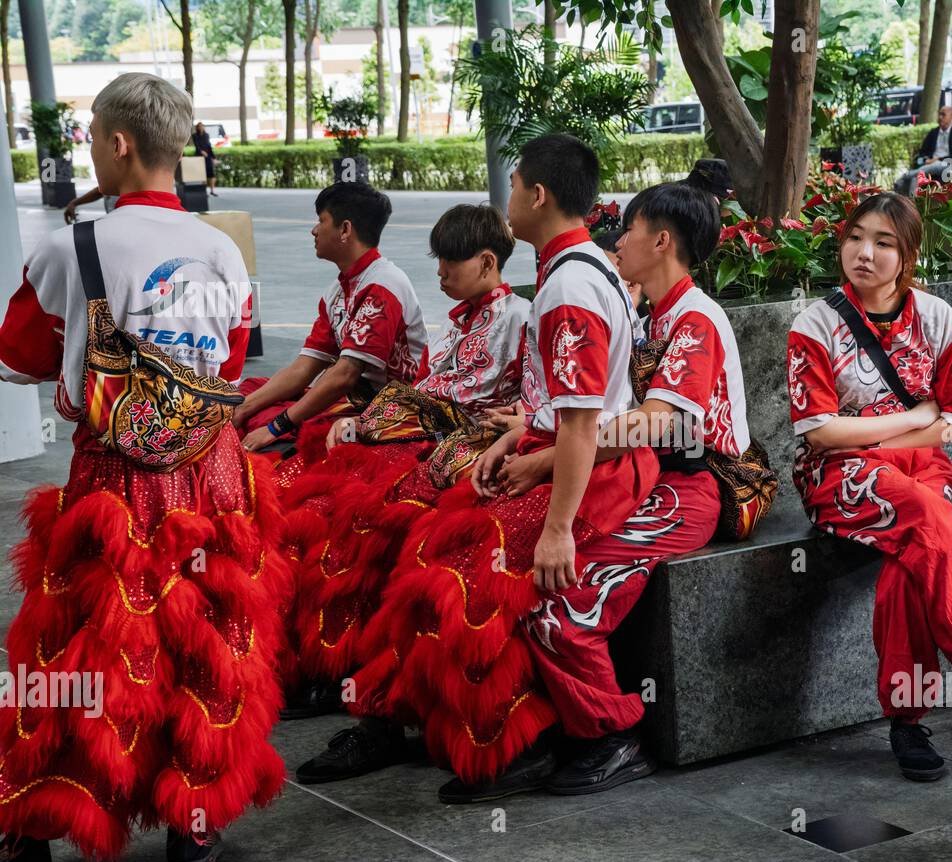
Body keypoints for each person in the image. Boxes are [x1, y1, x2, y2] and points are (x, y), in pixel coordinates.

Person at [296, 134, 659, 801]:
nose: (509, 196)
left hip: (590, 475)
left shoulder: (568, 285)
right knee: (417, 544)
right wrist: (521, 437)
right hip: (560, 456)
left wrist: (556, 528)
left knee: (457, 575)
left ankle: (523, 742)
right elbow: (570, 407)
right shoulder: (575, 270)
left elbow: (583, 422)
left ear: (538, 195)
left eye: (514, 183)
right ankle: (391, 712)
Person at [0, 72, 289, 862]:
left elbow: (16, 354)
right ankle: (195, 828)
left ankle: (35, 826)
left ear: (120, 144)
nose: (88, 148)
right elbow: (230, 363)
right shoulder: (222, 249)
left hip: (115, 484)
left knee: (81, 648)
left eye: (92, 136)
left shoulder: (73, 246)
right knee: (208, 641)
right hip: (215, 474)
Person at [500, 182, 753, 794]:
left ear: (661, 241)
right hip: (642, 475)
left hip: (694, 486)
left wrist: (550, 459)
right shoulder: (652, 314)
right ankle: (536, 729)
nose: (620, 242)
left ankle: (611, 737)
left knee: (562, 602)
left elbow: (662, 421)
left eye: (631, 230)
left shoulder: (695, 320)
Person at [786, 192, 952, 784]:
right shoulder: (815, 324)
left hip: (920, 467)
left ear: (909, 255)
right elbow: (821, 433)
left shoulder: (938, 318)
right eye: (855, 238)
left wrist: (879, 436)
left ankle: (906, 723)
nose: (864, 253)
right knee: (925, 516)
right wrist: (910, 420)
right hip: (837, 476)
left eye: (883, 243)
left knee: (907, 571)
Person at [278, 203, 530, 717]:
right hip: (410, 433)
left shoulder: (521, 319)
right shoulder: (455, 325)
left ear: (486, 262)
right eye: (437, 261)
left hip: (448, 445)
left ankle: (347, 673)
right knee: (303, 496)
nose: (439, 273)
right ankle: (320, 663)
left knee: (362, 517)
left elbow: (542, 399)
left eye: (449, 263)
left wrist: (519, 415)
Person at [233, 182, 428, 459]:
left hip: (388, 405)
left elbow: (345, 375)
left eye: (321, 221)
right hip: (353, 396)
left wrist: (276, 427)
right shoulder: (337, 292)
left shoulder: (383, 287)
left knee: (298, 433)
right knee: (249, 395)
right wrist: (242, 408)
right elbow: (304, 367)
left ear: (345, 229)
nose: (314, 230)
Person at [894, 106, 952, 196]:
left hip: (948, 163)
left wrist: (937, 159)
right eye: (939, 114)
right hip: (931, 163)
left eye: (943, 115)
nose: (940, 117)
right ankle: (912, 203)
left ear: (951, 116)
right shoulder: (933, 133)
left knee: (921, 171)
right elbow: (923, 151)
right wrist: (926, 160)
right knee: (916, 178)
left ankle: (907, 175)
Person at [192, 122, 218, 196]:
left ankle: (212, 191)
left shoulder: (206, 135)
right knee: (202, 175)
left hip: (208, 157)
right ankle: (204, 191)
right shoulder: (195, 136)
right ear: (197, 128)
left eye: (202, 126)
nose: (201, 128)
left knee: (212, 175)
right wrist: (201, 152)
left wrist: (213, 157)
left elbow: (209, 146)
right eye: (199, 126)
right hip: (199, 157)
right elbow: (197, 146)